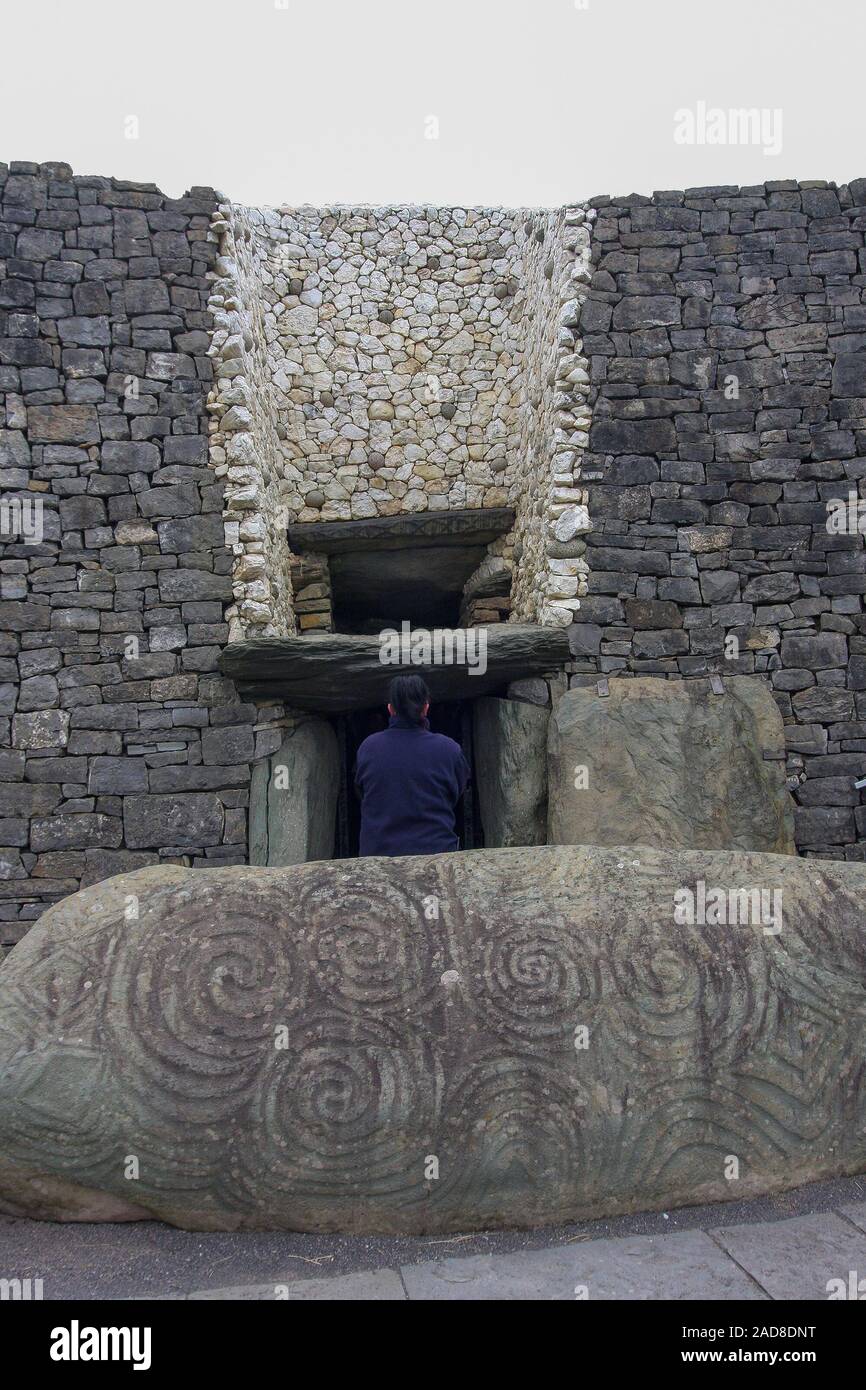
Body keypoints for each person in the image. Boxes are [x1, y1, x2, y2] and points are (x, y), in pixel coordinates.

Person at [354, 674, 470, 857]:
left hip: (378, 856)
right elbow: (457, 793)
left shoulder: (368, 748)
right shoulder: (450, 749)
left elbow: (361, 791)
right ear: (426, 708)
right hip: (436, 855)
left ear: (390, 709)